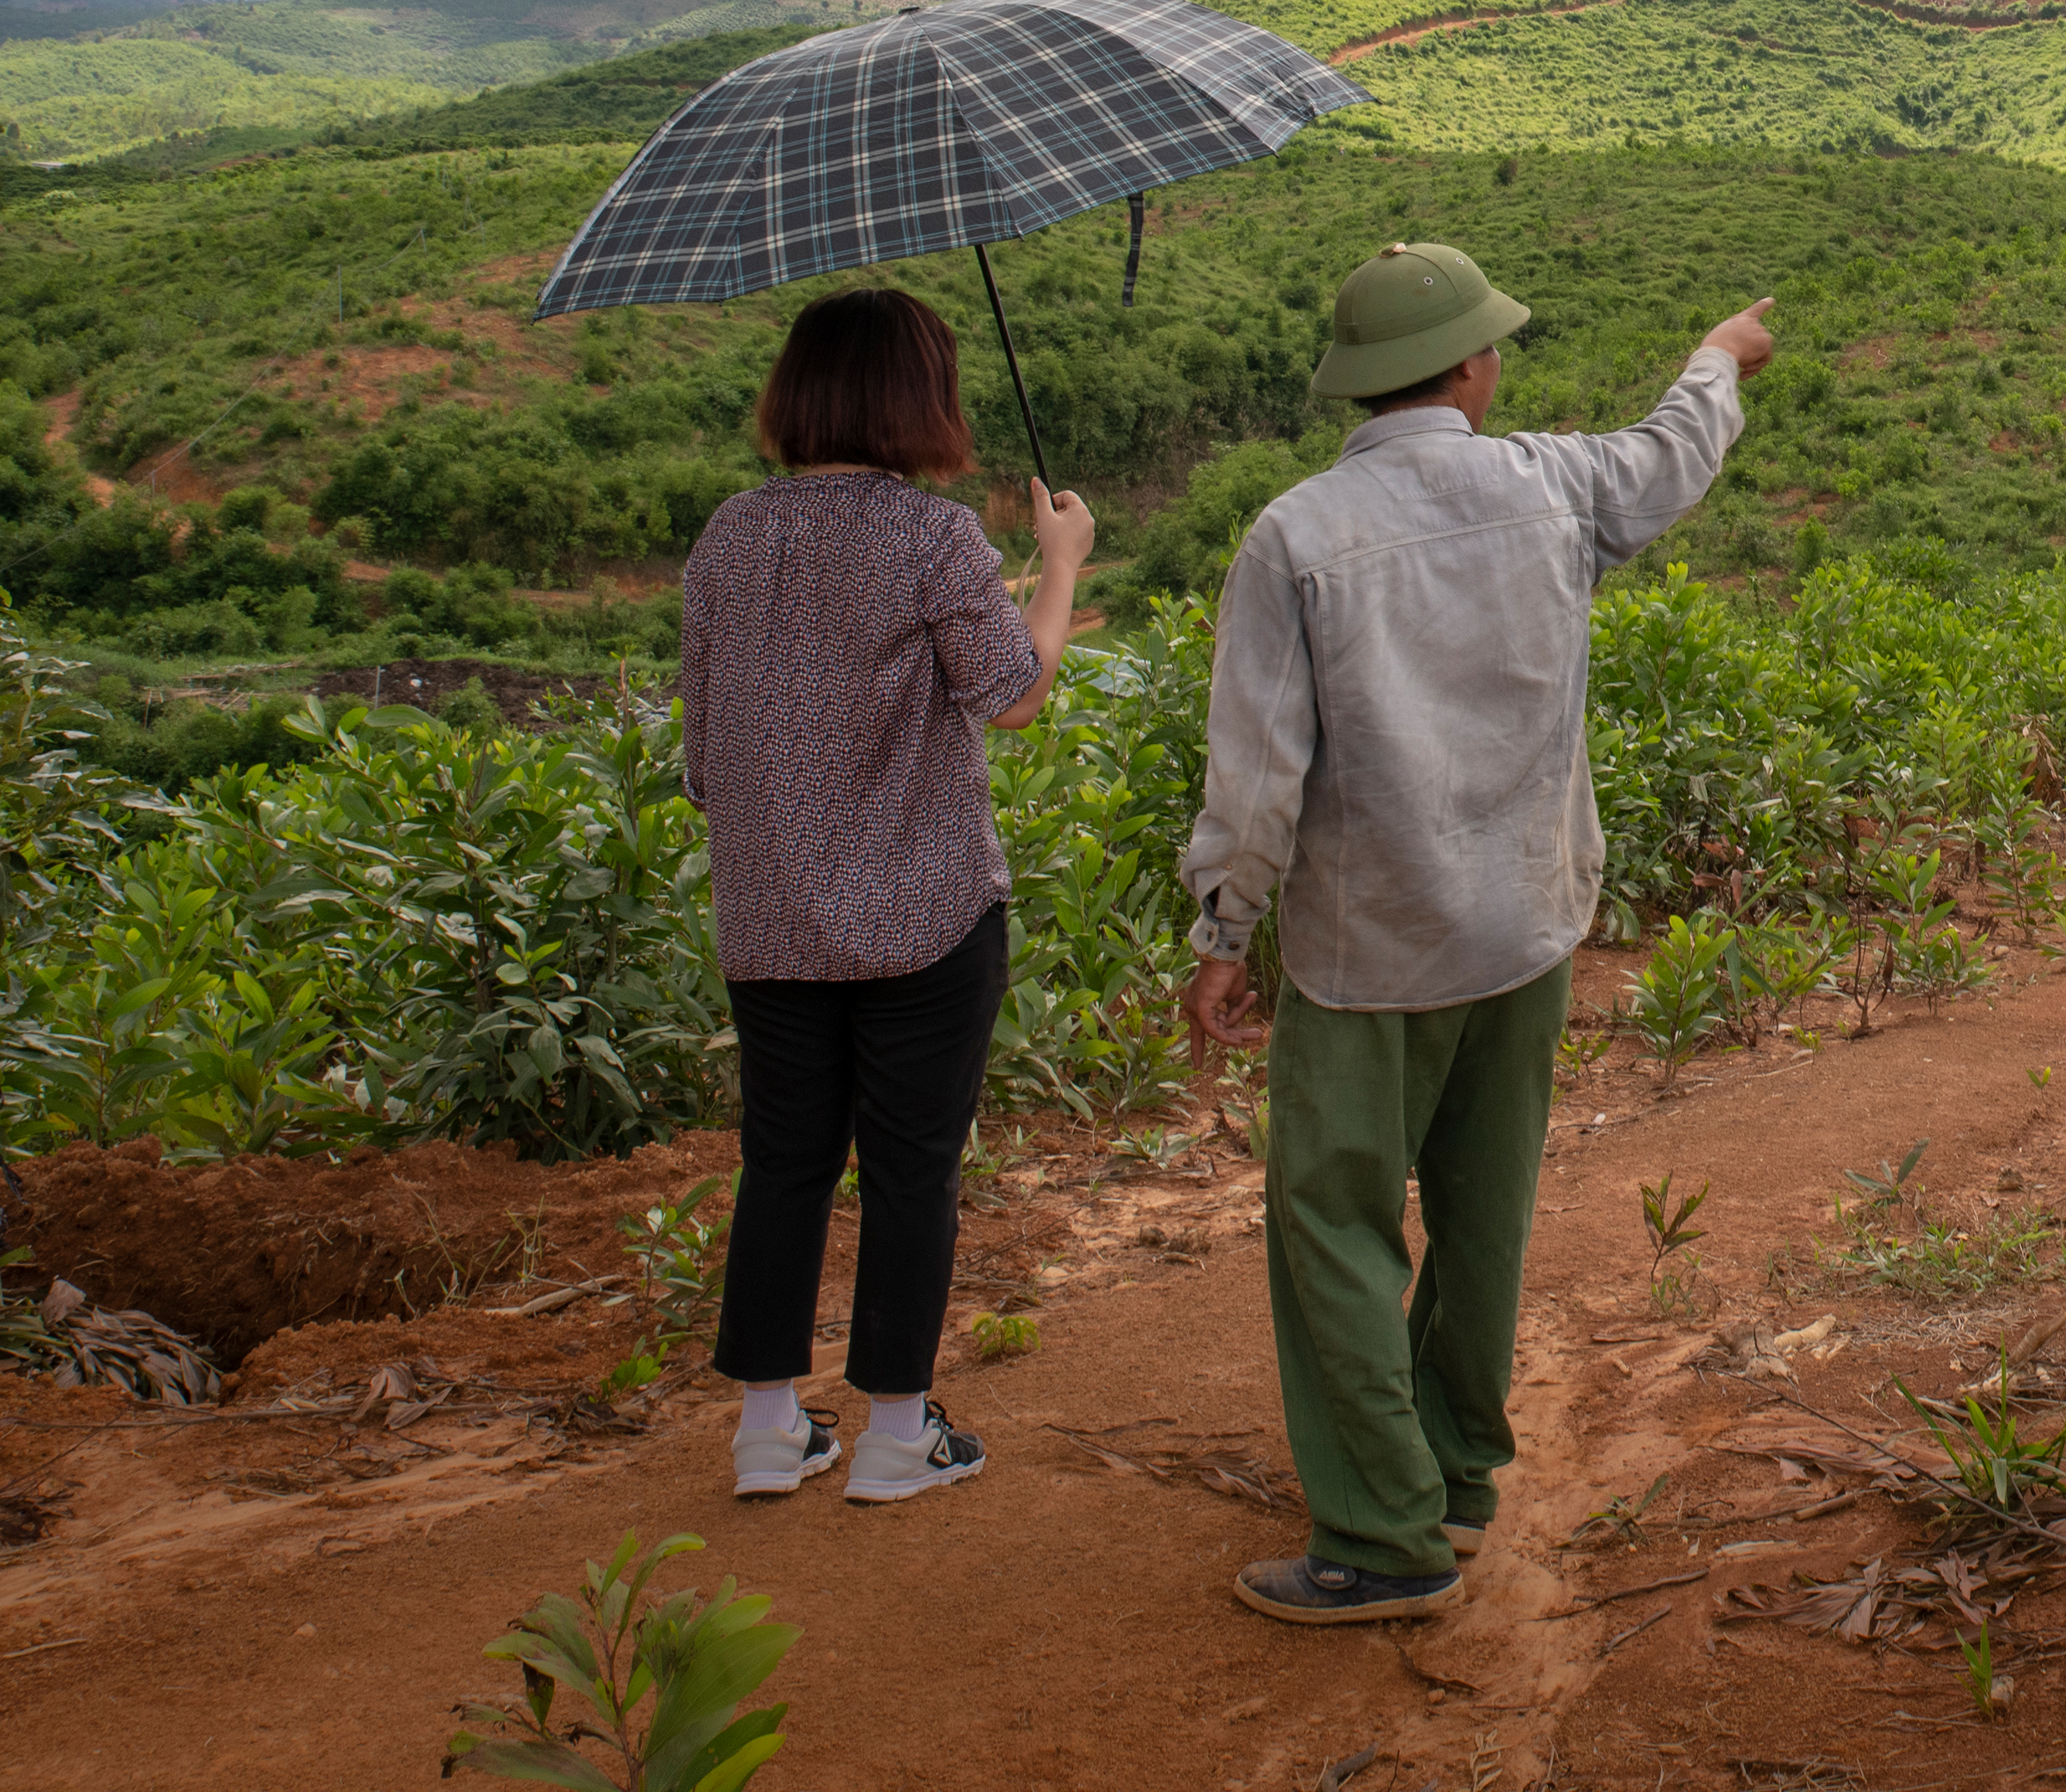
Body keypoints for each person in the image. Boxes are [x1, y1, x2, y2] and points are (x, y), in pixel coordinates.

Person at [1180, 241, 1772, 1626]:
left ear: (1360, 384)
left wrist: (1224, 931)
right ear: (1469, 368)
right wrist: (1716, 354)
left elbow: (1258, 771)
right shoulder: (1553, 486)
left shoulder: (1295, 536)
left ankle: (1381, 1532)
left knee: (1332, 1219)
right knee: (1481, 1212)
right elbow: (1670, 455)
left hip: (1367, 951)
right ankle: (1449, 1475)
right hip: (1527, 923)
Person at [678, 285, 1094, 1507]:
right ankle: (897, 1437)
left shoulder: (726, 538)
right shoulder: (934, 537)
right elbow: (1015, 692)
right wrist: (1056, 566)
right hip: (926, 917)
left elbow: (707, 760)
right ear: (922, 396)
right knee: (912, 1168)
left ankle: (769, 1432)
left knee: (783, 1163)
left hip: (770, 928)